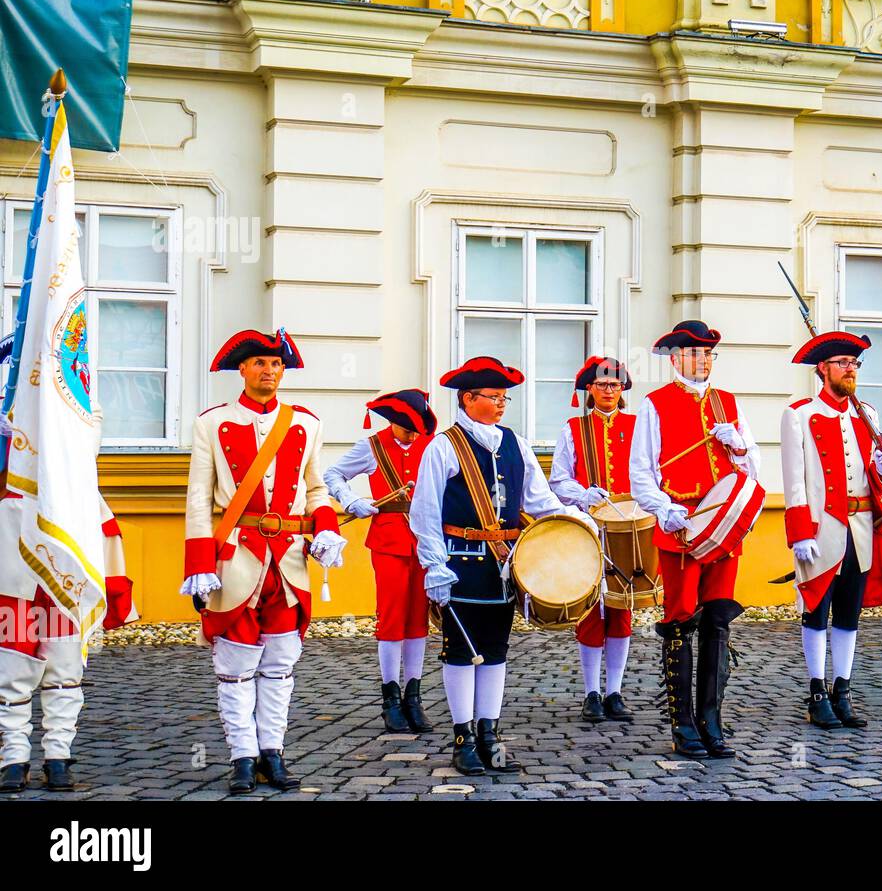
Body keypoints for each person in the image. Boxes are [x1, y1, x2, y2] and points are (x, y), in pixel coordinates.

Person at [409, 356, 596, 775]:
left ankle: (490, 734)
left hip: (504, 566)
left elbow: (539, 499)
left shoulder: (515, 442)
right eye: (493, 398)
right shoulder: (443, 446)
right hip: (459, 565)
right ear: (468, 398)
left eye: (504, 398)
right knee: (460, 652)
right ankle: (462, 739)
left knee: (495, 652)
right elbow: (423, 511)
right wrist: (433, 565)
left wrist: (575, 519)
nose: (500, 405)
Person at [182, 329, 347, 793]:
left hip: (289, 560)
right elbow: (198, 500)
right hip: (236, 557)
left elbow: (316, 489)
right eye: (259, 364)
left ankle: (272, 752)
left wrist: (327, 529)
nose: (269, 372)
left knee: (280, 665)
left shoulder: (307, 423)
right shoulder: (211, 423)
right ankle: (241, 757)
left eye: (275, 364)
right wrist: (198, 561)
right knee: (235, 666)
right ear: (243, 369)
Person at [630, 321, 760, 759]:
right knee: (681, 619)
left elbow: (751, 469)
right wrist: (663, 508)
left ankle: (711, 719)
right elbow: (641, 473)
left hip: (723, 526)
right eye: (694, 354)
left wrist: (739, 446)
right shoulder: (655, 404)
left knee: (717, 619)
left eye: (708, 355)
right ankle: (682, 723)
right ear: (675, 359)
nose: (702, 361)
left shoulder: (728, 403)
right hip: (682, 525)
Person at [779, 332, 882, 730]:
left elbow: (877, 481)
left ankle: (843, 690)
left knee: (850, 613)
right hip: (821, 528)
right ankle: (817, 692)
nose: (851, 369)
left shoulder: (867, 413)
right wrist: (800, 532)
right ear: (823, 368)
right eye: (843, 363)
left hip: (862, 525)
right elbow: (794, 479)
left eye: (855, 363)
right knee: (816, 610)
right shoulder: (798, 413)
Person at [0, 492, 135, 793]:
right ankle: (13, 758)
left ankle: (58, 757)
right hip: (10, 546)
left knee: (65, 668)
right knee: (11, 667)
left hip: (65, 553)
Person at [325, 389, 438, 733]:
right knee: (391, 617)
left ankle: (414, 696)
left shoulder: (431, 445)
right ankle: (390, 697)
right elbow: (333, 475)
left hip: (426, 538)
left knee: (419, 617)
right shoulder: (371, 447)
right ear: (393, 422)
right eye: (408, 430)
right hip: (388, 539)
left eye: (418, 430)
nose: (414, 436)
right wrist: (351, 500)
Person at [549, 356, 637, 723]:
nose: (608, 391)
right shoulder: (573, 428)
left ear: (622, 390)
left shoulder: (638, 425)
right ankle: (591, 692)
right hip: (589, 527)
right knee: (591, 609)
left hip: (628, 527)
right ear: (590, 390)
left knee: (622, 608)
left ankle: (615, 690)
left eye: (614, 385)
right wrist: (583, 494)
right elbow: (558, 479)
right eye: (601, 385)